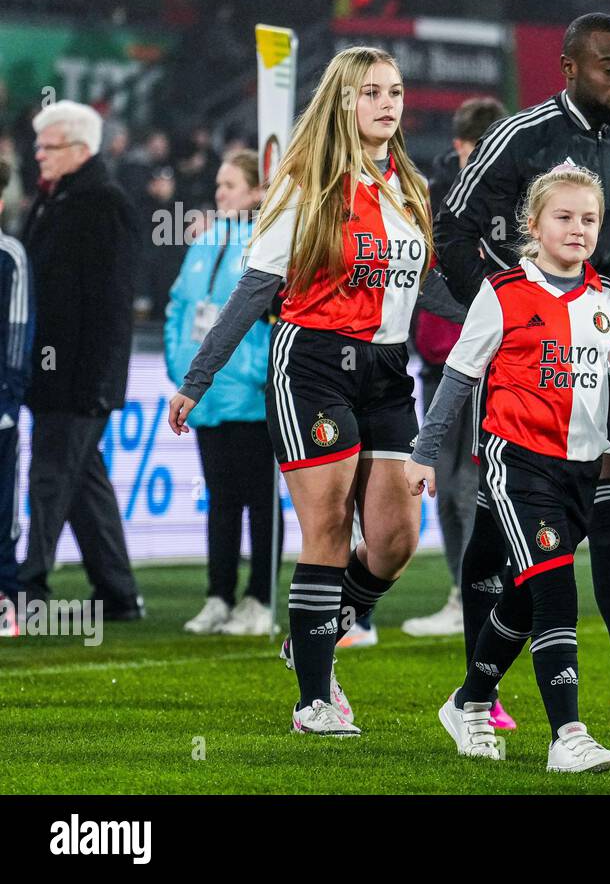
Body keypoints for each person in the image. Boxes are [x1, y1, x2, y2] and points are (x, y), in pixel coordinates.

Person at [407, 166, 610, 771]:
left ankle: (469, 701)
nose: (579, 229)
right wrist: (426, 453)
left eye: (589, 219)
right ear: (532, 227)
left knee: (520, 596)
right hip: (518, 463)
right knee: (555, 588)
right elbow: (458, 378)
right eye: (563, 217)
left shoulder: (608, 299)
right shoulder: (504, 293)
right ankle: (568, 734)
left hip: (582, 469)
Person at [435, 13, 610, 737]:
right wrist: (499, 309)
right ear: (567, 68)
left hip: (603, 355)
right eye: (609, 67)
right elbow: (453, 226)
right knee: (505, 545)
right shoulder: (522, 137)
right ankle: (479, 696)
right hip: (527, 364)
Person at [169, 46, 434, 736]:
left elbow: (428, 291)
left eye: (396, 91)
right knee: (327, 527)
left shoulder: (411, 186)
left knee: (396, 540)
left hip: (388, 370)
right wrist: (198, 379)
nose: (387, 103)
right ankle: (313, 698)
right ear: (342, 101)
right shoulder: (304, 185)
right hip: (312, 361)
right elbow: (253, 291)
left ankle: (310, 635)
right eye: (371, 91)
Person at [18, 101, 143, 621]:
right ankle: (117, 592)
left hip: (78, 379)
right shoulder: (56, 201)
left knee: (50, 478)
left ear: (79, 149)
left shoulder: (102, 205)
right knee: (82, 484)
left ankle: (27, 589)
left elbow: (112, 304)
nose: (38, 156)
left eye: (47, 147)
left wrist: (97, 381)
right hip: (55, 376)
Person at [401, 96, 508, 642]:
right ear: (462, 148)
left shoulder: (514, 202)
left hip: (491, 367)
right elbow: (419, 278)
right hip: (439, 362)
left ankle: (479, 598)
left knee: (473, 485)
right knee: (443, 483)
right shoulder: (435, 202)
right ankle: (459, 592)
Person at [165, 149, 281, 636]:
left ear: (257, 191)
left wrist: (258, 370)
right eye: (218, 185)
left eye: (230, 185)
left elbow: (278, 318)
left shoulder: (268, 243)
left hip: (251, 397)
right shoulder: (204, 240)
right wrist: (180, 365)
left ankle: (260, 599)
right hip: (209, 397)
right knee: (221, 500)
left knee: (260, 499)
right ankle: (218, 596)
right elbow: (178, 307)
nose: (220, 193)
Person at [0, 158, 35, 636]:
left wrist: (8, 398)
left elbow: (17, 332)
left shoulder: (9, 256)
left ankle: (5, 597)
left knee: (2, 508)